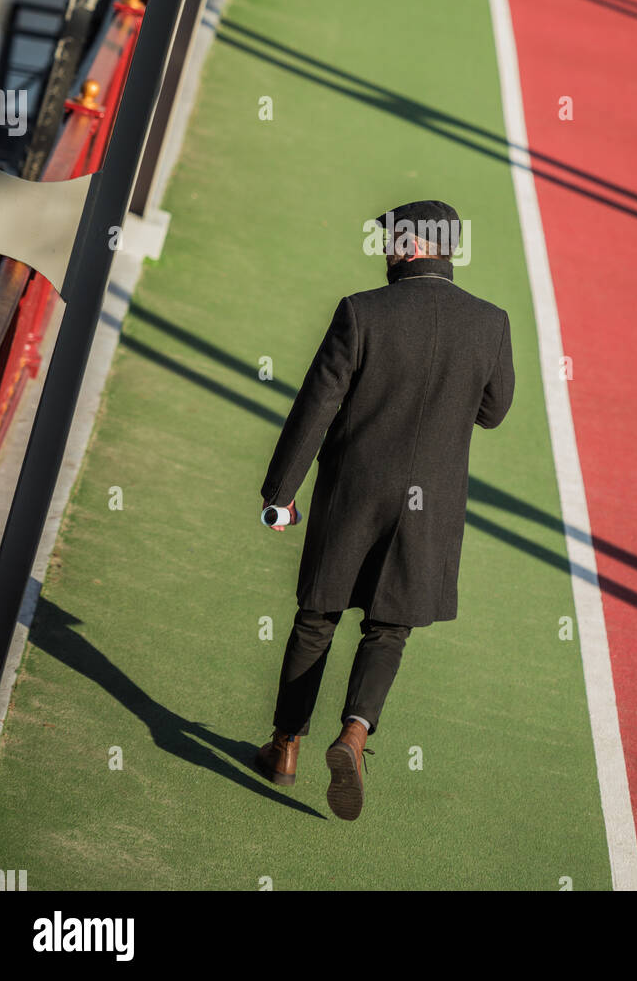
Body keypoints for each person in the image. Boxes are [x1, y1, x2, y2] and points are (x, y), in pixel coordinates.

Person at [255, 199, 515, 820]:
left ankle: (286, 747)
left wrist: (280, 494)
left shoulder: (361, 312)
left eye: (391, 238)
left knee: (317, 617)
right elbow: (494, 410)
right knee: (389, 627)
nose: (383, 247)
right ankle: (355, 733)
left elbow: (316, 407)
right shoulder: (490, 323)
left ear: (413, 246)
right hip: (431, 506)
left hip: (352, 493)